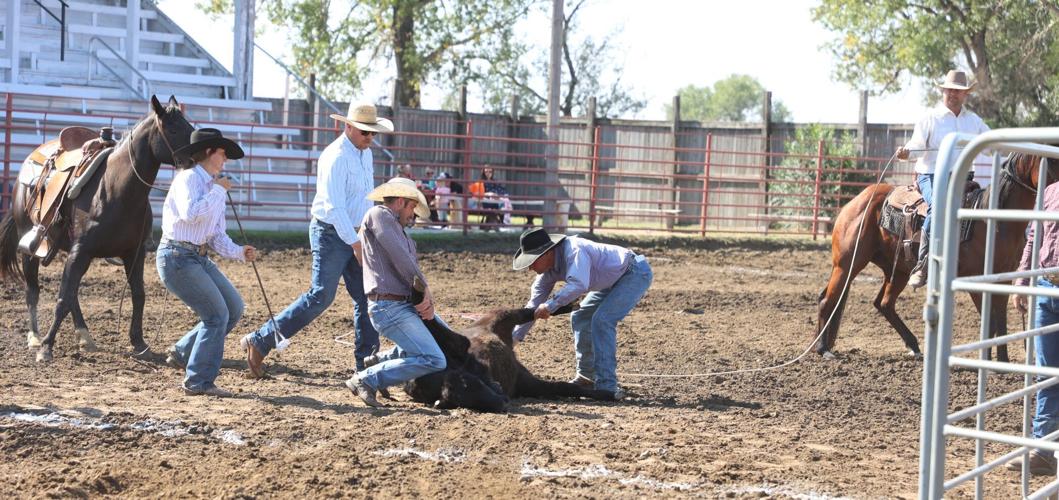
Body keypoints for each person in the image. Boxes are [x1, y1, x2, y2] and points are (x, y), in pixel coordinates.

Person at [241, 102, 392, 376]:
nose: (370, 138)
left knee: (368, 297)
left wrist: (365, 234)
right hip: (331, 233)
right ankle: (261, 339)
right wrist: (356, 243)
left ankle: (367, 367)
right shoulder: (335, 156)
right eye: (365, 132)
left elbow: (363, 197)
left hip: (355, 232)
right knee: (321, 296)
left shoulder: (363, 154)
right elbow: (334, 208)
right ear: (348, 127)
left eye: (373, 133)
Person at [157, 128, 256, 397]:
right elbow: (191, 214)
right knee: (217, 316)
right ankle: (198, 381)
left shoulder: (212, 187)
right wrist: (219, 192)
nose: (225, 159)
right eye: (223, 153)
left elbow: (215, 234)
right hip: (177, 256)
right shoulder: (188, 179)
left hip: (194, 257)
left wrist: (238, 251)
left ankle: (183, 352)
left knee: (233, 308)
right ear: (209, 152)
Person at [510, 228, 653, 400]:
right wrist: (513, 339)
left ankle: (607, 386)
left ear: (546, 254)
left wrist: (550, 305)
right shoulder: (549, 269)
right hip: (610, 279)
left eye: (532, 262)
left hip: (633, 272)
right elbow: (533, 306)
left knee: (602, 320)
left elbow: (579, 285)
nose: (530, 268)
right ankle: (586, 377)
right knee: (581, 316)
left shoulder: (575, 250)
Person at [344, 177, 446, 407]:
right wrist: (425, 290)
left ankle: (379, 361)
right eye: (411, 207)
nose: (413, 215)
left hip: (400, 304)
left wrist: (423, 296)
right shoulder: (378, 215)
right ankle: (367, 378)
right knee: (434, 358)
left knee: (443, 340)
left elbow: (404, 264)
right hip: (390, 306)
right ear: (400, 201)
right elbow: (402, 260)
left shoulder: (395, 228)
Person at [897, 70, 990, 289]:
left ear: (965, 94)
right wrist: (907, 151)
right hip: (931, 175)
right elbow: (918, 144)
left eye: (958, 91)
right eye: (949, 90)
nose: (953, 94)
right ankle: (923, 265)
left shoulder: (974, 121)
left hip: (963, 176)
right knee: (939, 207)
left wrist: (1009, 149)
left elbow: (990, 143)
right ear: (943, 91)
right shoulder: (930, 118)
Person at [1007, 180, 1059, 475]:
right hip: (1046, 288)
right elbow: (1033, 239)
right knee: (1046, 374)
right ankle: (1043, 450)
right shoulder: (1051, 191)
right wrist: (1021, 282)